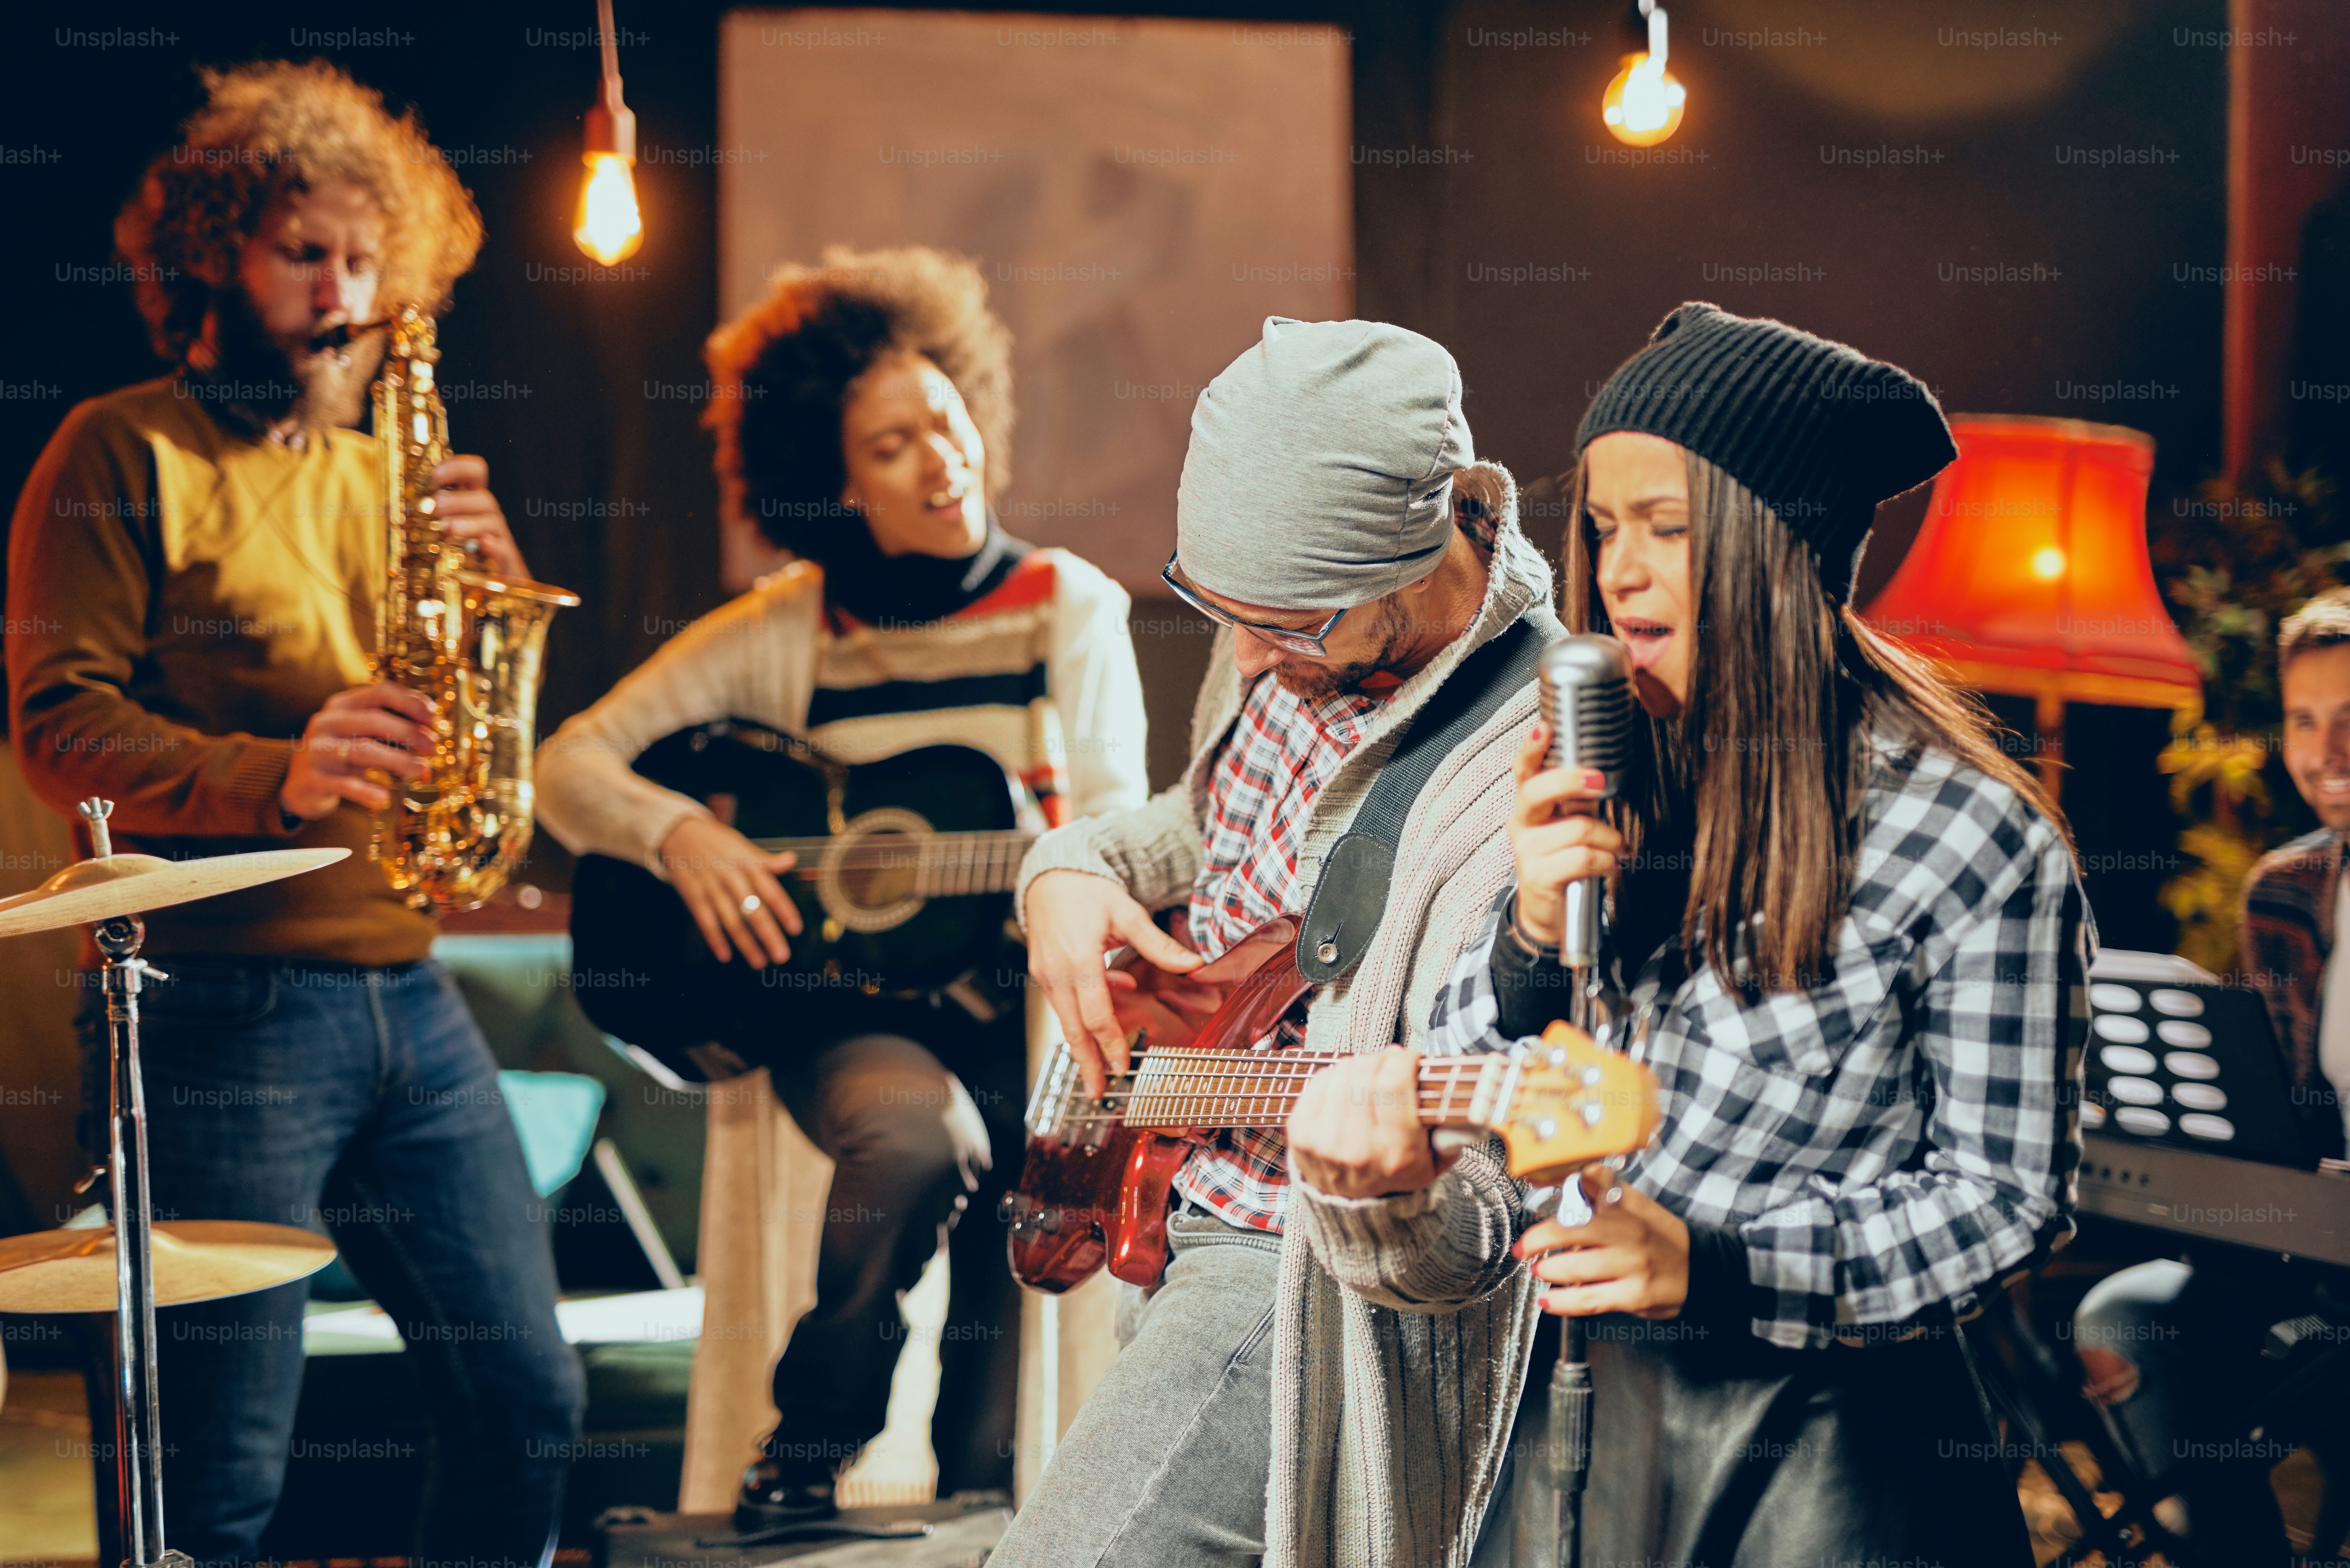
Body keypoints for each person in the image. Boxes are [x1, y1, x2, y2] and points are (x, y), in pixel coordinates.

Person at [5, 61, 581, 1568]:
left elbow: (455, 709)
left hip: (407, 988)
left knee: (526, 1395)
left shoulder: (396, 467)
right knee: (219, 1475)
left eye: (367, 258)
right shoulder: (120, 446)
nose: (346, 290)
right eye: (303, 252)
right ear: (212, 257)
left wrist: (495, 591)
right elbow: (58, 724)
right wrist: (281, 766)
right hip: (216, 1006)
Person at [1422, 301, 2093, 1562]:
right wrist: (1523, 929)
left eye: (1666, 530)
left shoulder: (1969, 840)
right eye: (1604, 527)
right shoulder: (1595, 769)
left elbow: (2003, 1203)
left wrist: (1719, 1267)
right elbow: (1460, 1101)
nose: (1618, 570)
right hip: (1582, 1420)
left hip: (1834, 1452)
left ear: (1780, 547)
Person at [531, 245, 1149, 1522]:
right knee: (917, 1140)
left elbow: (1122, 827)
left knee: (998, 1438)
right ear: (827, 481)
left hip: (1022, 1032)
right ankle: (806, 1446)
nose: (943, 458)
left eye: (947, 416)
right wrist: (676, 837)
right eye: (890, 446)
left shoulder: (1063, 609)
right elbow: (567, 766)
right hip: (846, 1014)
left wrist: (1073, 861)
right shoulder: (783, 630)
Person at [995, 315, 1565, 1568]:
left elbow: (1486, 1205)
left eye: (1292, 626)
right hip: (1171, 1183)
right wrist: (1067, 869)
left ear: (1416, 554)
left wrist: (1395, 1167)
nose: (1249, 654)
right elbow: (1190, 830)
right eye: (1223, 609)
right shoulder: (1281, 628)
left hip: (1294, 1255)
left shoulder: (1544, 751)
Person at [2064, 585, 2350, 1560]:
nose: (2327, 754)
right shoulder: (2288, 893)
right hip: (2318, 1261)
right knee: (2127, 1319)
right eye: (2306, 722)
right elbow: (2279, 1120)